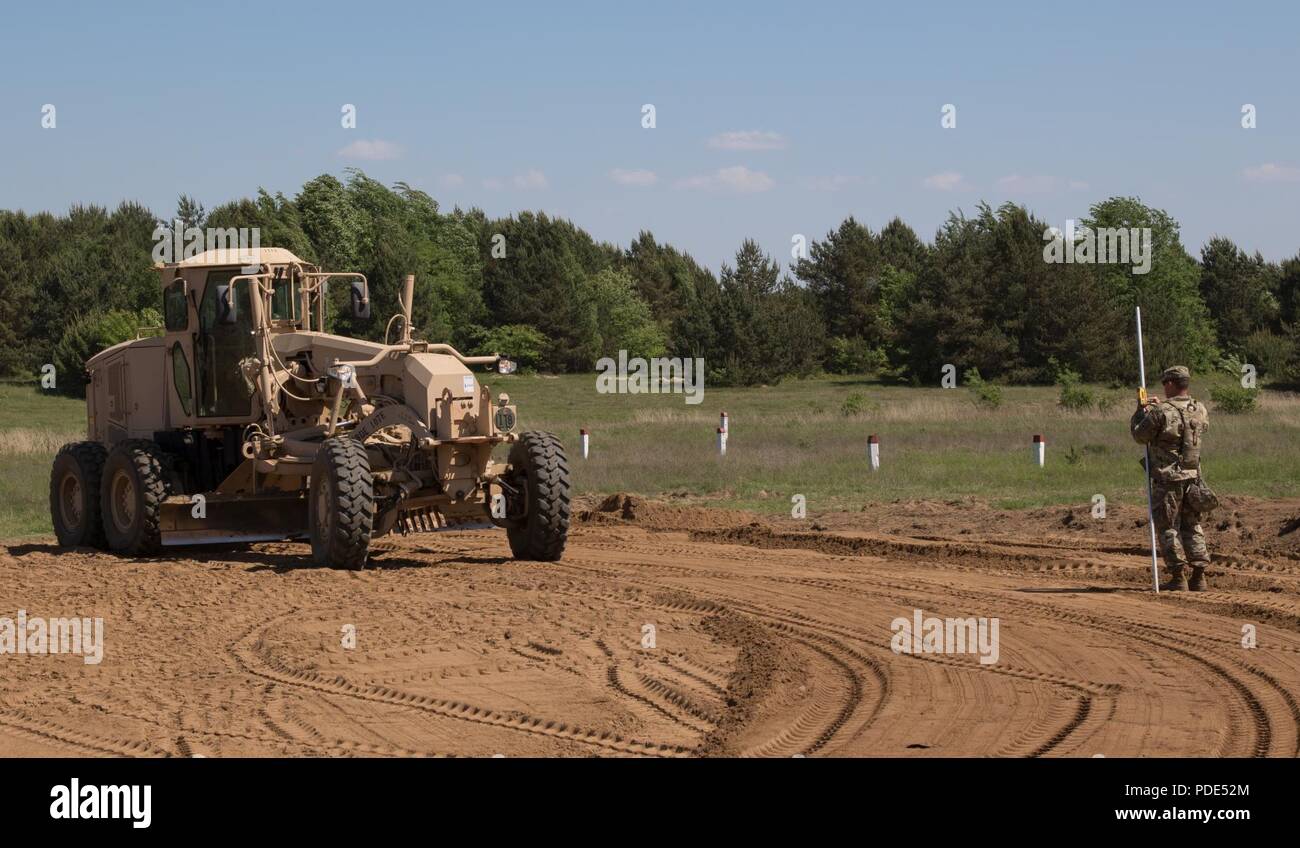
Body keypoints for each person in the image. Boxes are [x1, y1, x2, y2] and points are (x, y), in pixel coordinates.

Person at [1130, 365, 1211, 591]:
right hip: (1193, 477)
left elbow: (1139, 435)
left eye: (1165, 383)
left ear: (1171, 384)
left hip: (1168, 478)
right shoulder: (1200, 408)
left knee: (1168, 527)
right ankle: (1199, 576)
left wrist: (1141, 410)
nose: (1164, 387)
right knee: (1192, 525)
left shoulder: (1161, 411)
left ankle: (1178, 577)